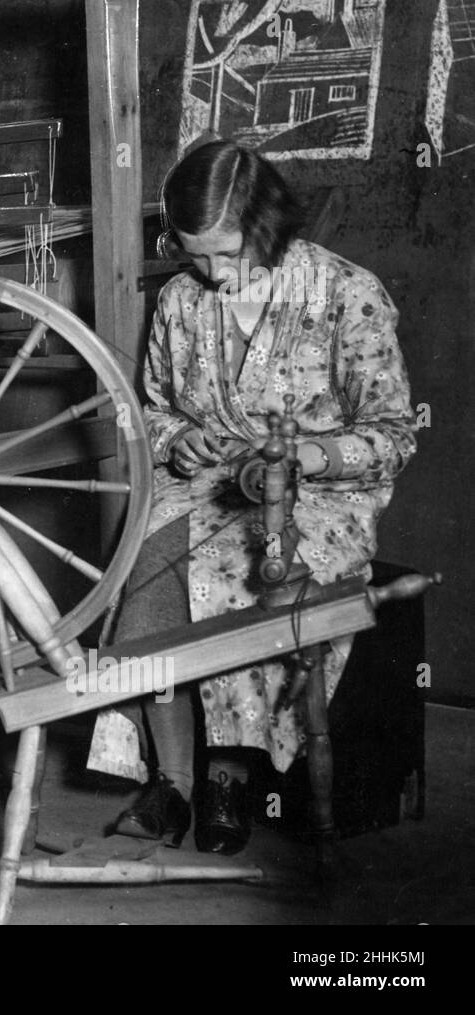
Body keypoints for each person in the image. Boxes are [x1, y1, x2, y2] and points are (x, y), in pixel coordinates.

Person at [87, 138, 416, 853]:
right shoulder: (179, 300)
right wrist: (179, 440)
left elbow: (393, 435)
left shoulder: (345, 295)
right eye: (194, 253)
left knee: (237, 580)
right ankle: (172, 781)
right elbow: (156, 407)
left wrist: (310, 455)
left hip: (317, 500)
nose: (210, 273)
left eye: (227, 253)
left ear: (265, 226)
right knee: (145, 582)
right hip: (205, 485)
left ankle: (229, 780)